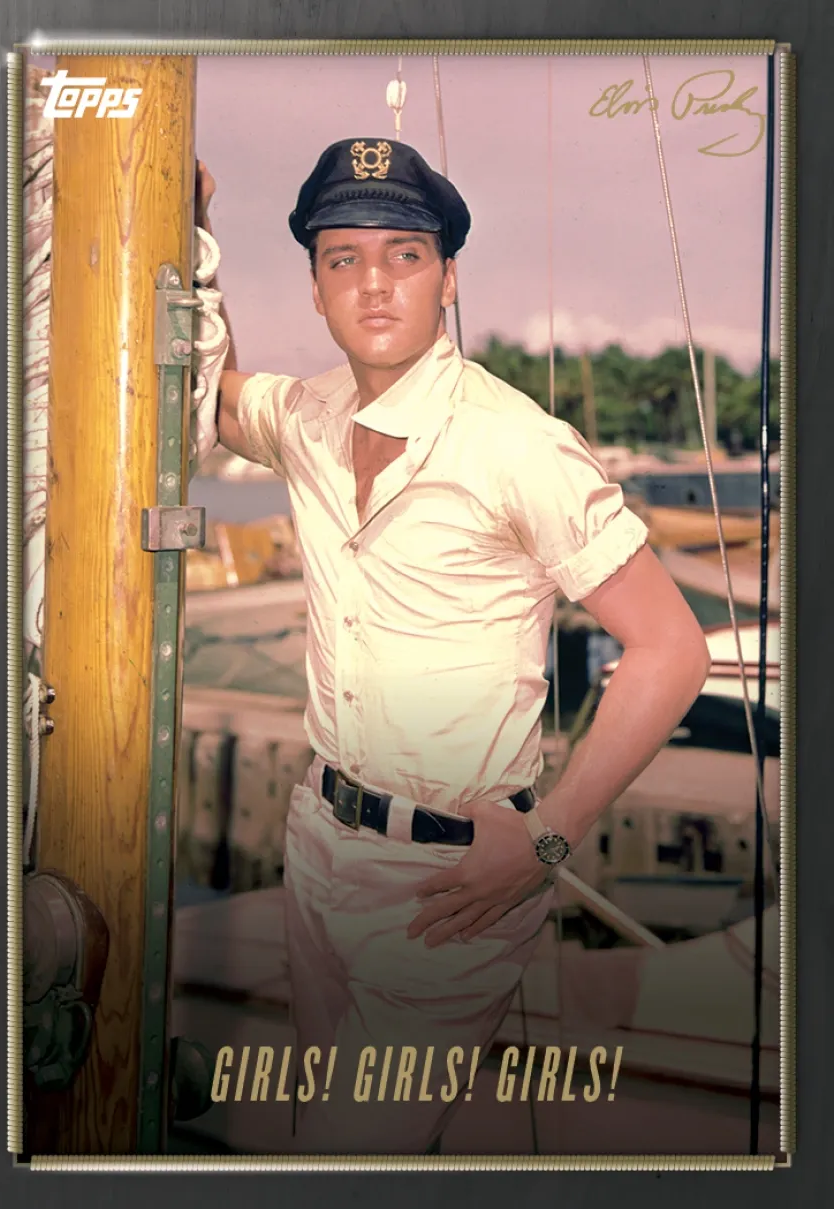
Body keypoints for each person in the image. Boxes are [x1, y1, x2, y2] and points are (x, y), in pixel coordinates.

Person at [194, 139, 711, 1154]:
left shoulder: (517, 445)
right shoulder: (306, 414)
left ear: (450, 277)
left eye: (405, 255)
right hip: (319, 842)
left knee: (341, 1158)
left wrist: (551, 834)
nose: (374, 282)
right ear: (314, 289)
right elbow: (210, 396)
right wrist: (190, 237)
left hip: (451, 888)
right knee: (318, 1127)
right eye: (343, 258)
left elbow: (671, 651)